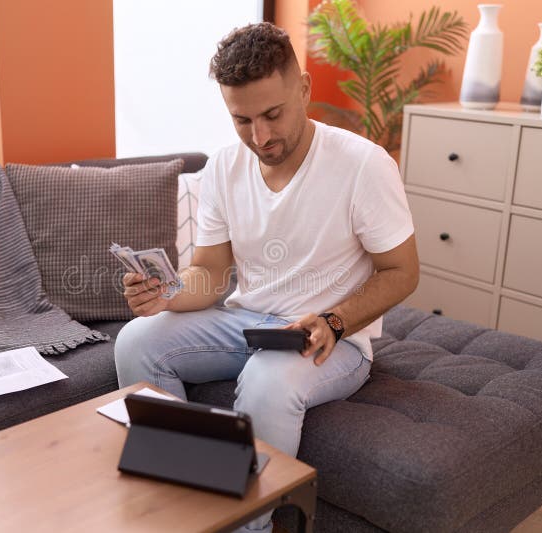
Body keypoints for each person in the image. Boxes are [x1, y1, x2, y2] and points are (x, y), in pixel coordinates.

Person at [114, 22, 419, 532]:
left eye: (273, 115)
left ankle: (243, 527)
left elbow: (402, 272)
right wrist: (165, 294)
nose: (260, 137)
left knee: (266, 382)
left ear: (304, 89)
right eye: (242, 120)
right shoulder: (225, 168)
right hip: (250, 322)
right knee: (135, 341)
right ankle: (184, 494)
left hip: (333, 340)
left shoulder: (363, 165)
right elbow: (210, 274)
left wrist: (335, 319)